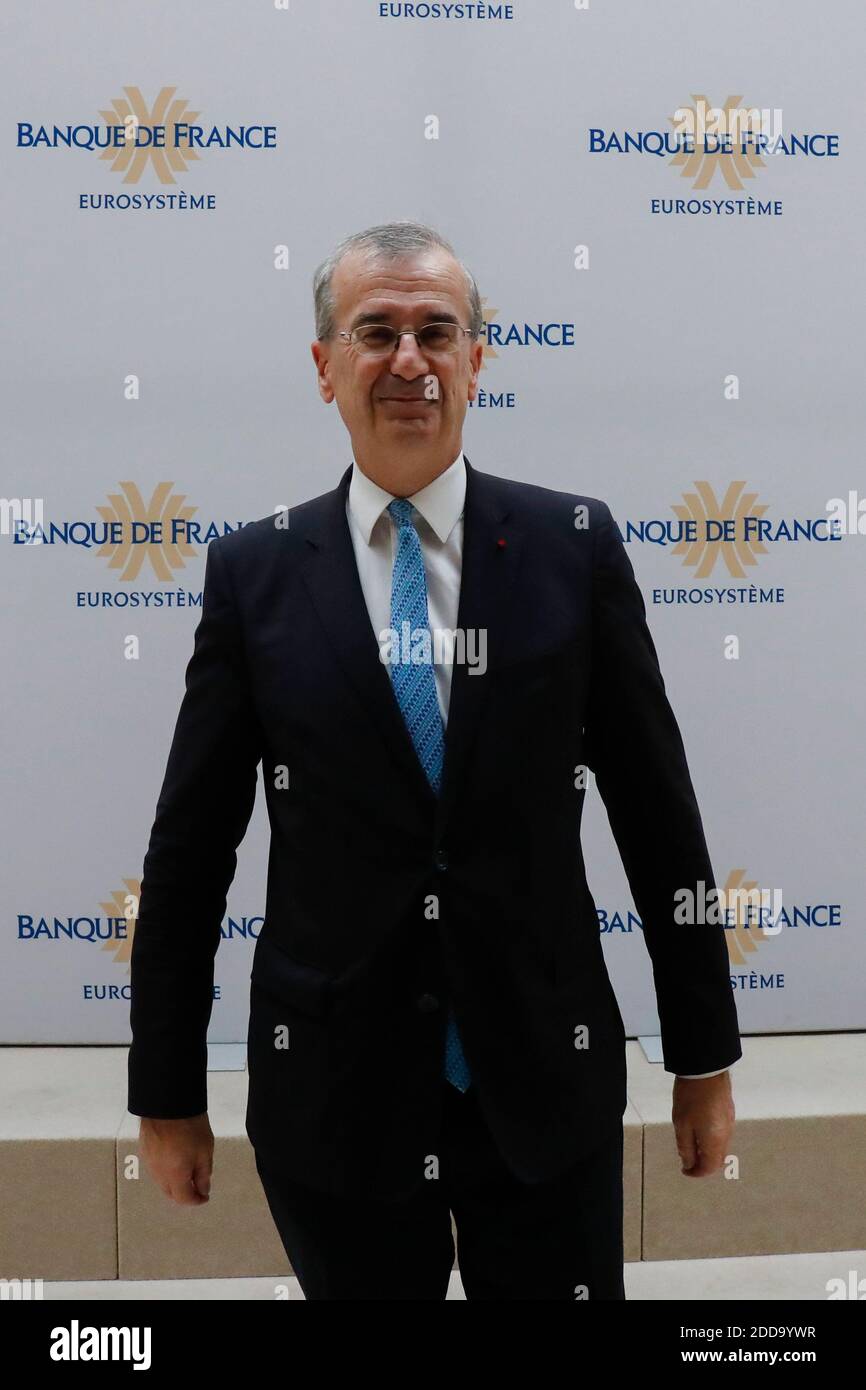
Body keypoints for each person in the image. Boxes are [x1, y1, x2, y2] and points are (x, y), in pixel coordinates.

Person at [128, 220, 740, 1300]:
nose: (407, 360)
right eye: (375, 331)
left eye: (435, 331)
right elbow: (189, 853)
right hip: (334, 1096)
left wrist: (701, 1055)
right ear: (324, 366)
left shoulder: (573, 548)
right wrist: (166, 1091)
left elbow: (657, 815)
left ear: (475, 359)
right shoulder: (253, 573)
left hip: (544, 1087)